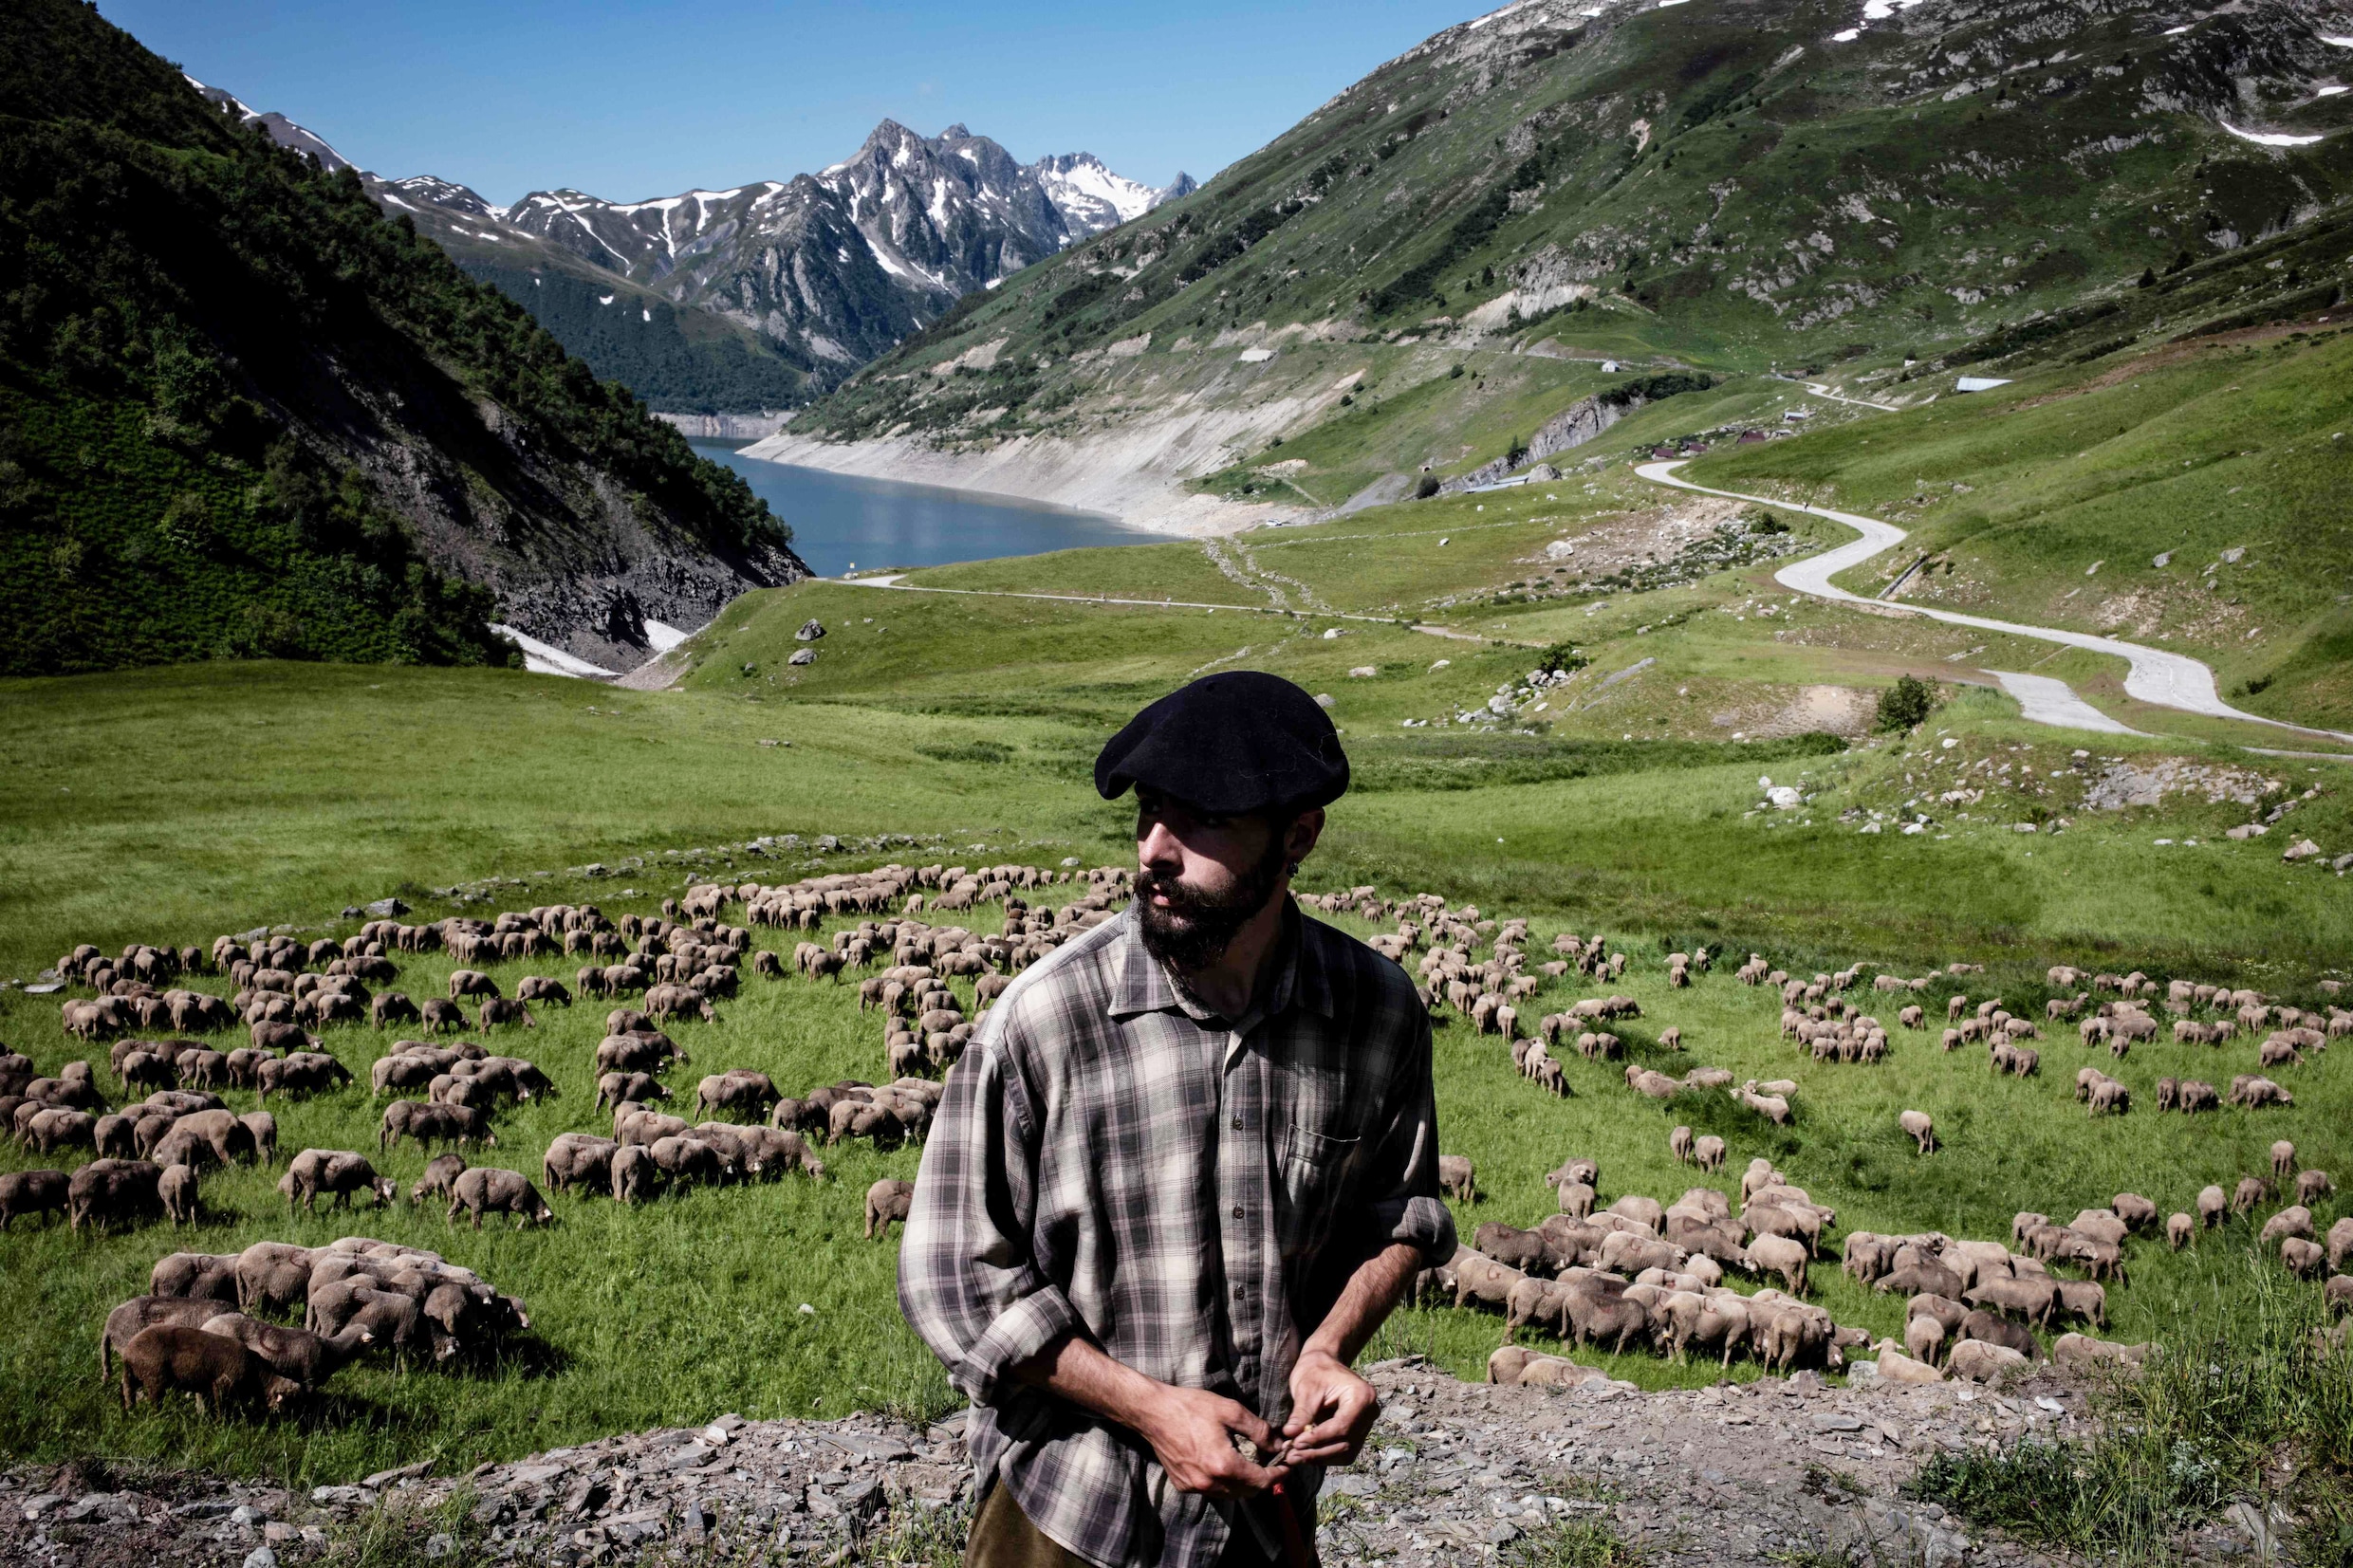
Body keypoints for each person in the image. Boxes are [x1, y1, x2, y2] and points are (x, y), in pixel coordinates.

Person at [899, 670, 1455, 1568]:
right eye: (1149, 812)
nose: (1155, 849)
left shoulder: (1377, 1013)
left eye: (1202, 819)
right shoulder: (1046, 1021)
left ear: (1299, 836)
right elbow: (955, 1280)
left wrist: (1329, 1347)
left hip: (1261, 1513)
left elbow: (1400, 1214)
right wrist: (1153, 1411)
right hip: (1072, 1509)